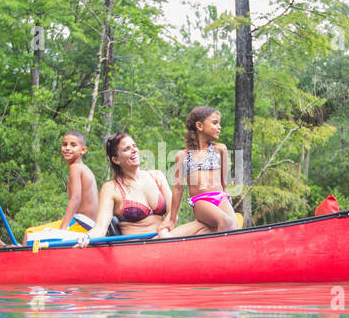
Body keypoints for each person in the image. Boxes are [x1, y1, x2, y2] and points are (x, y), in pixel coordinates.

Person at [75, 132, 175, 248]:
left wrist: (163, 231)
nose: (134, 150)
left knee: (200, 226)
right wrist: (87, 237)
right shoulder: (111, 188)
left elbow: (174, 213)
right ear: (116, 160)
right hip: (138, 247)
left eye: (134, 146)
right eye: (127, 149)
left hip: (164, 239)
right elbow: (100, 228)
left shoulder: (157, 176)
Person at [166, 106, 239, 234]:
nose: (219, 127)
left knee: (233, 226)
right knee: (226, 222)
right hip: (201, 201)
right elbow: (178, 189)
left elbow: (223, 182)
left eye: (219, 123)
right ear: (199, 126)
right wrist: (172, 219)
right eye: (215, 123)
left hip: (220, 197)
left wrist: (223, 199)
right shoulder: (183, 156)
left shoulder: (220, 149)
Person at [24, 131, 99, 240]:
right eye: (64, 144)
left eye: (73, 145)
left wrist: (62, 230)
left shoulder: (76, 167)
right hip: (88, 223)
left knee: (29, 234)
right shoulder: (84, 168)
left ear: (83, 150)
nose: (67, 148)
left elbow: (75, 199)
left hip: (82, 223)